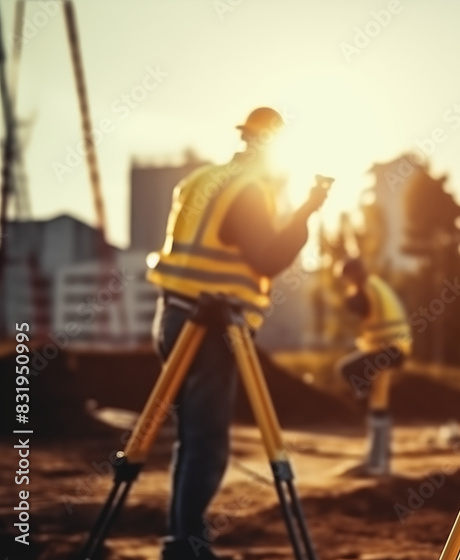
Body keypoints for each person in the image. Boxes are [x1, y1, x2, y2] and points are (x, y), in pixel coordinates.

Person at [146, 107, 329, 560]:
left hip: (172, 313)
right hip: (209, 324)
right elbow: (267, 258)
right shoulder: (249, 190)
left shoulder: (202, 179)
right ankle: (186, 544)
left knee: (192, 436)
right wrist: (306, 210)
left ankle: (182, 536)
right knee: (206, 441)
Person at [333, 258, 412, 477]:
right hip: (391, 350)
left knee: (347, 370)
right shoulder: (376, 285)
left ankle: (362, 394)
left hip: (388, 350)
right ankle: (379, 460)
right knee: (379, 401)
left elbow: (357, 307)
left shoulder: (366, 289)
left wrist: (349, 297)